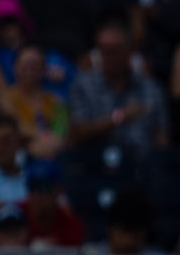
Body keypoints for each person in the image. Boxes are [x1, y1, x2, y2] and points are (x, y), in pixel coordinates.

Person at [68, 21, 170, 155]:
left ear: (129, 52)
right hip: (94, 165)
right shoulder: (83, 85)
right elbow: (77, 132)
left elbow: (161, 137)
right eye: (102, 51)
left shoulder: (150, 88)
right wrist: (119, 116)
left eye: (113, 52)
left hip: (142, 165)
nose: (106, 57)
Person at [0, 44, 67, 158]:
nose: (29, 71)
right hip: (20, 152)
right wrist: (43, 137)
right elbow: (15, 127)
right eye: (25, 66)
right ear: (15, 67)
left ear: (43, 70)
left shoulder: (56, 99)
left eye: (34, 65)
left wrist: (52, 141)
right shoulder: (5, 97)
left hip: (53, 150)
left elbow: (62, 130)